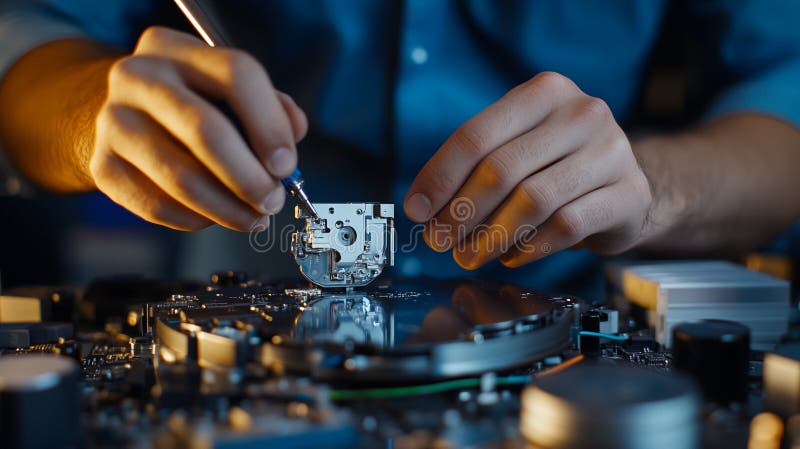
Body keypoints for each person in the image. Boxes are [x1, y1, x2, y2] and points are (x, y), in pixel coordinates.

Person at [0, 1, 799, 295]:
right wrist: (92, 112)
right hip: (241, 308)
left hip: (556, 327)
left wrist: (649, 186)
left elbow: (785, 100)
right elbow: (29, 38)